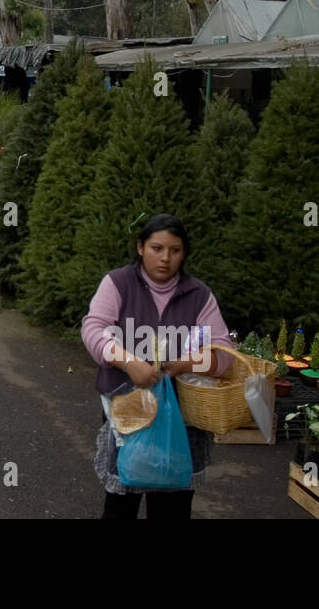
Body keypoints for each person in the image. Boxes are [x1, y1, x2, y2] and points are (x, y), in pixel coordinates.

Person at [81, 214, 232, 519]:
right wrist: (128, 361)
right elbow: (93, 329)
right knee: (122, 498)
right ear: (140, 247)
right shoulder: (118, 283)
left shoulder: (198, 294)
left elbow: (224, 353)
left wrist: (184, 365)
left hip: (180, 416)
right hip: (126, 408)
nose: (165, 258)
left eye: (175, 250)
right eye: (156, 248)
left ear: (184, 253)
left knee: (172, 503)